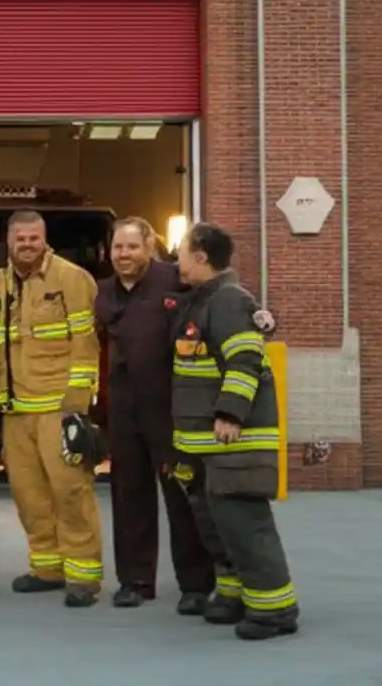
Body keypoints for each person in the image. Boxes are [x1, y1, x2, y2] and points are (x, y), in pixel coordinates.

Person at [168, 222, 299, 641]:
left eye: (182, 252)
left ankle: (275, 610)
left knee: (245, 524)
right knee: (217, 523)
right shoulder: (202, 300)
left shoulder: (227, 301)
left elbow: (245, 360)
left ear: (201, 256)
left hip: (234, 439)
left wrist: (230, 413)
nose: (177, 260)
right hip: (210, 443)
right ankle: (233, 593)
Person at [94, 217, 214, 614]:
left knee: (182, 499)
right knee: (129, 498)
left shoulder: (176, 281)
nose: (123, 255)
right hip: (123, 412)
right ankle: (135, 581)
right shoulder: (104, 292)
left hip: (170, 411)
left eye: (131, 247)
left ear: (150, 246)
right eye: (117, 248)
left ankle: (196, 586)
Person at [0, 210, 104, 608]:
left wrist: (77, 406)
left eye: (34, 238)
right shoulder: (2, 281)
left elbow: (86, 342)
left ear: (44, 239)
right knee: (29, 496)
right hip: (16, 410)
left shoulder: (71, 278)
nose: (27, 244)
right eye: (20, 238)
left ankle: (83, 576)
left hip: (59, 409)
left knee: (70, 492)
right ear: (9, 241)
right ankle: (47, 569)